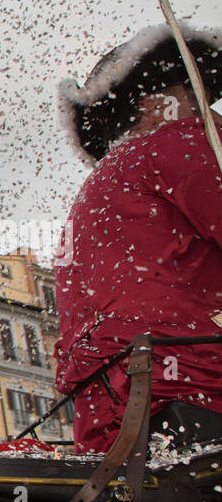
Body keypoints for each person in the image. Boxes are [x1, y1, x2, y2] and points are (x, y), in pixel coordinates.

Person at [54, 23, 222, 453]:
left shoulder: (93, 191)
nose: (205, 105)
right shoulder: (180, 143)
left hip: (110, 415)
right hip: (194, 388)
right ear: (155, 102)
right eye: (191, 90)